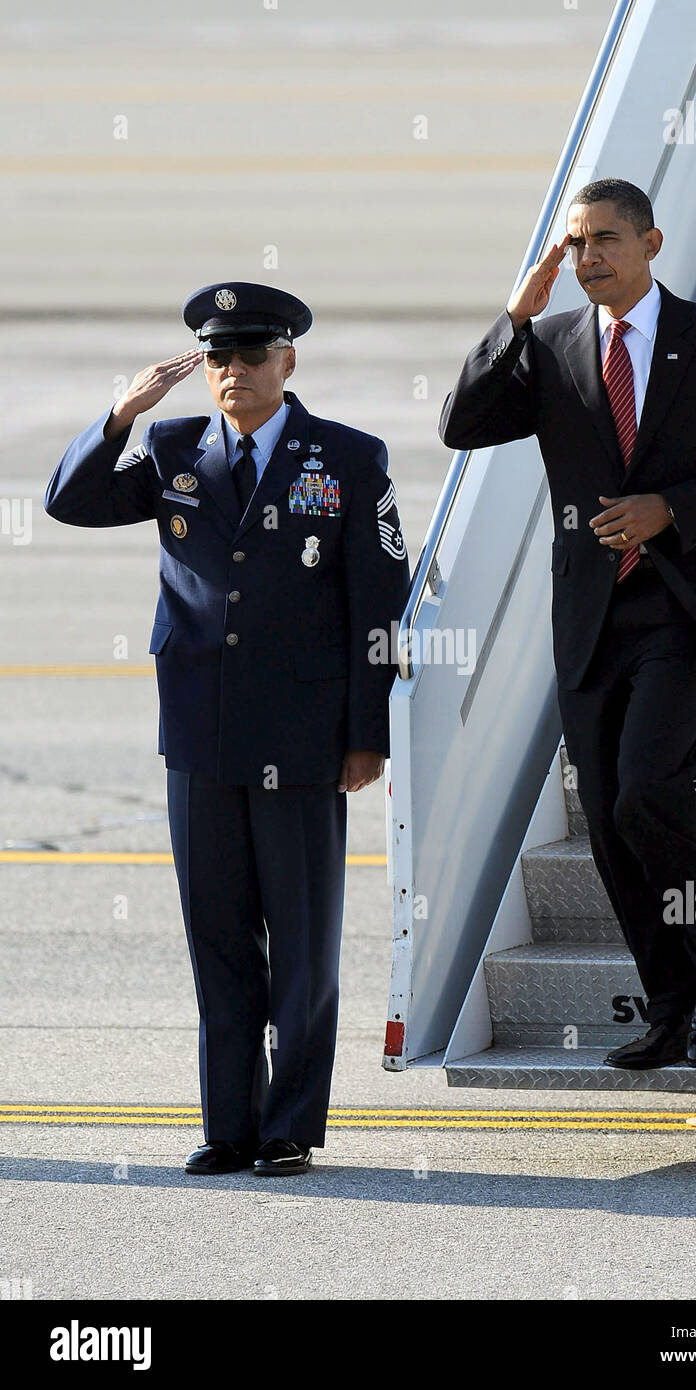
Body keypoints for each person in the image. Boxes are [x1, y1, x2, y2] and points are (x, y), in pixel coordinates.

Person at [45, 281, 410, 1172]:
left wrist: (368, 735)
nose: (233, 372)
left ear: (288, 362)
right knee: (217, 934)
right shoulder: (172, 448)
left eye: (252, 356)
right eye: (217, 358)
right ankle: (227, 1124)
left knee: (301, 937)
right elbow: (70, 502)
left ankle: (288, 1126)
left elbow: (378, 602)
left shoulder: (348, 459)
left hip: (302, 731)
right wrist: (120, 414)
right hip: (200, 730)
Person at [439, 179, 696, 1070]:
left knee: (646, 787)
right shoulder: (554, 346)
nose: (586, 258)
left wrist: (667, 509)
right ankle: (669, 1003)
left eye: (603, 239)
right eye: (573, 246)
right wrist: (514, 320)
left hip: (683, 611)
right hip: (592, 617)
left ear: (650, 243)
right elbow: (460, 425)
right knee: (606, 821)